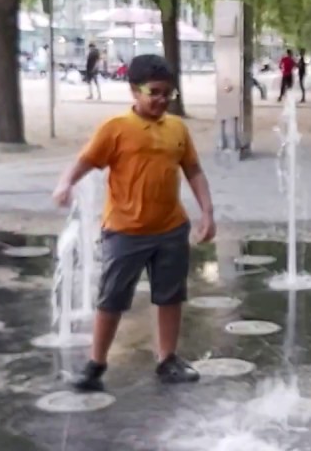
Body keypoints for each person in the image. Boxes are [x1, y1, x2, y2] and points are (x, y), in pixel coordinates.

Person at [51, 54, 216, 391]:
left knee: (170, 296)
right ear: (134, 90)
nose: (160, 100)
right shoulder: (116, 129)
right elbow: (86, 160)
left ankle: (167, 358)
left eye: (167, 94)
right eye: (153, 92)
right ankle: (95, 364)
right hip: (125, 231)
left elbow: (194, 170)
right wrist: (66, 182)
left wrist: (207, 212)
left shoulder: (177, 129)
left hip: (171, 228)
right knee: (111, 298)